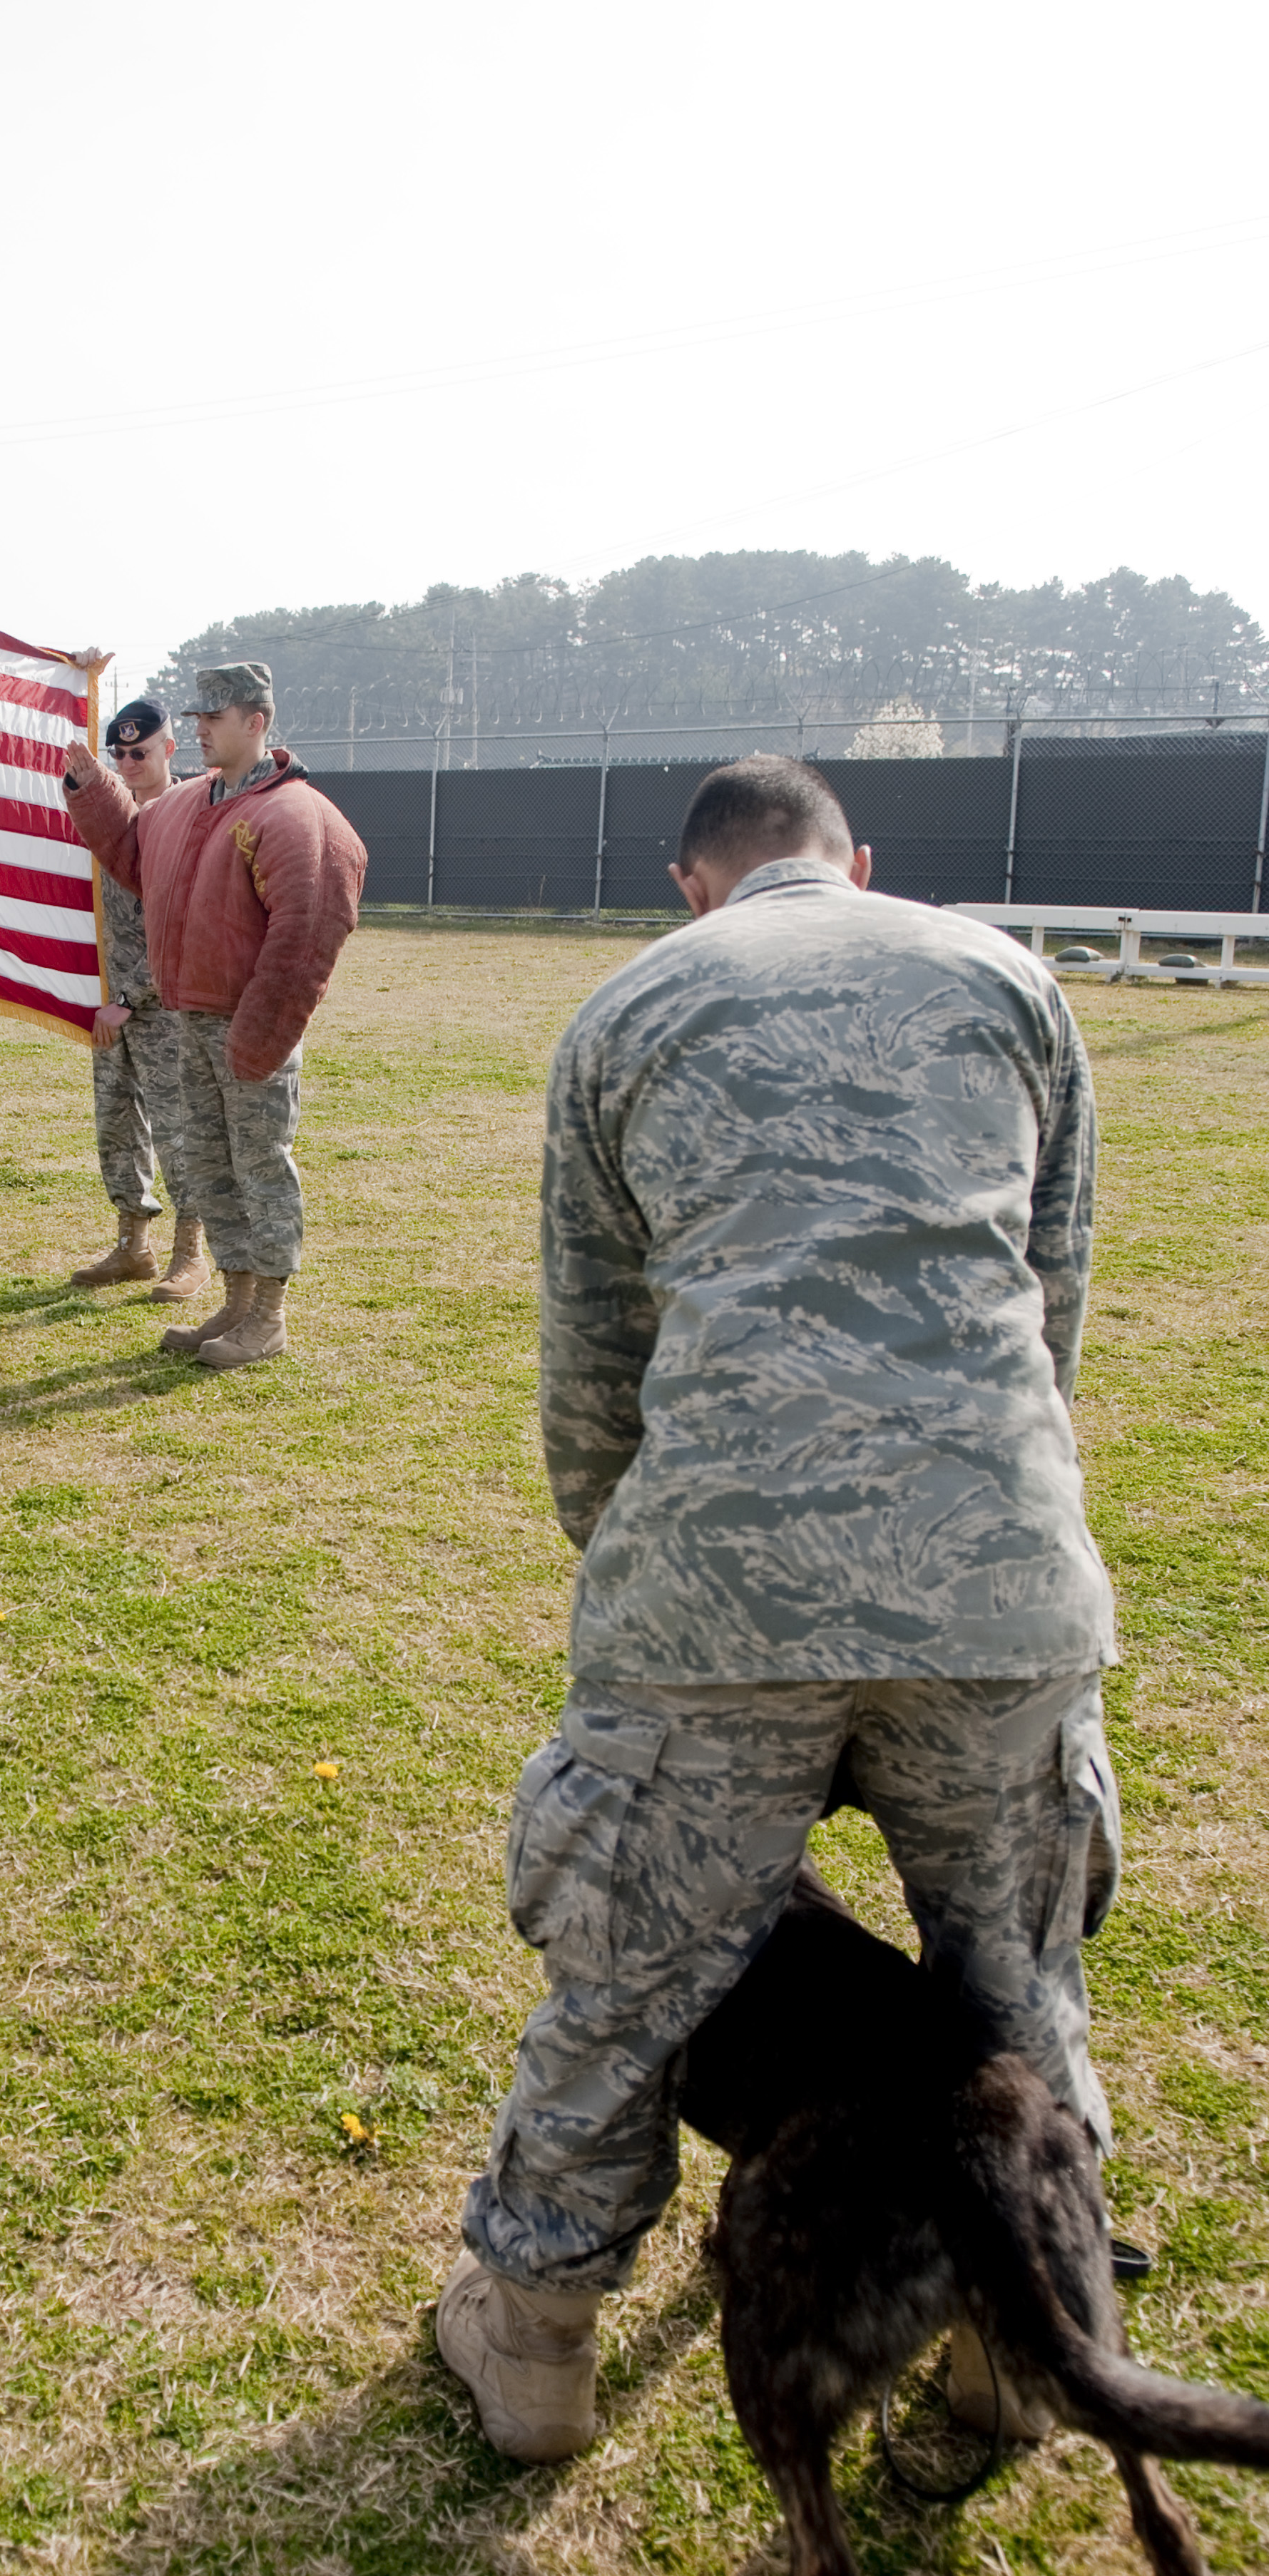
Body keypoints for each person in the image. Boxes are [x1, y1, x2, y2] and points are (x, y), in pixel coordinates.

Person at [437, 754, 1122, 2465]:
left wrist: (651, 1582)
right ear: (852, 861)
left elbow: (592, 1361)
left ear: (692, 883)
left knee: (625, 1981)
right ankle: (1011, 2352)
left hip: (712, 1589)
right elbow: (1046, 1301)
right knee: (1010, 1980)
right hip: (997, 1576)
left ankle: (530, 2347)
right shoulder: (1009, 981)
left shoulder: (625, 1009)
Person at [61, 661, 366, 1371]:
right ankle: (234, 1298)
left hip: (243, 1026)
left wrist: (261, 1033)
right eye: (195, 717)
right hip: (190, 1019)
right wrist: (98, 794)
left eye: (214, 718)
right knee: (211, 1165)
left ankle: (268, 1315)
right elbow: (137, 859)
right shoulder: (187, 804)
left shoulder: (293, 816)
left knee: (259, 1167)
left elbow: (307, 932)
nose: (199, 728)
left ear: (256, 722)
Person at [66, 690, 210, 1307]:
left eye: (140, 752)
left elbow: (189, 926)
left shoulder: (190, 816)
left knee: (180, 1130)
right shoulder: (107, 818)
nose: (128, 763)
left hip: (164, 1006)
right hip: (110, 1007)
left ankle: (191, 1252)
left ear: (169, 749)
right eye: (118, 754)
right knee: (117, 1125)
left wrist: (129, 995)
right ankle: (133, 1244)